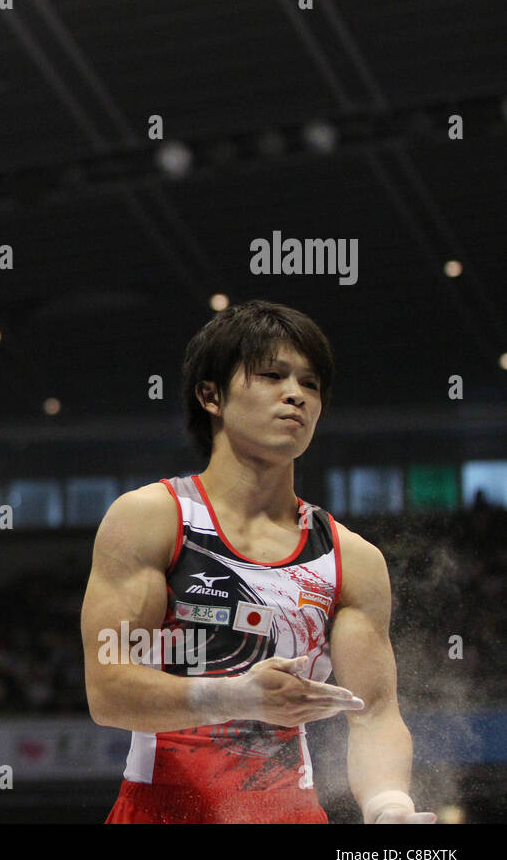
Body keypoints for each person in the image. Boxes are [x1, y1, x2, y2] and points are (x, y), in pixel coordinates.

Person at [80, 300, 436, 823]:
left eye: (311, 384)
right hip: (162, 811)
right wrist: (235, 696)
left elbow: (374, 715)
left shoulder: (351, 559)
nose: (296, 395)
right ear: (211, 395)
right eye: (272, 375)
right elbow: (109, 692)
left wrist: (389, 806)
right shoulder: (151, 520)